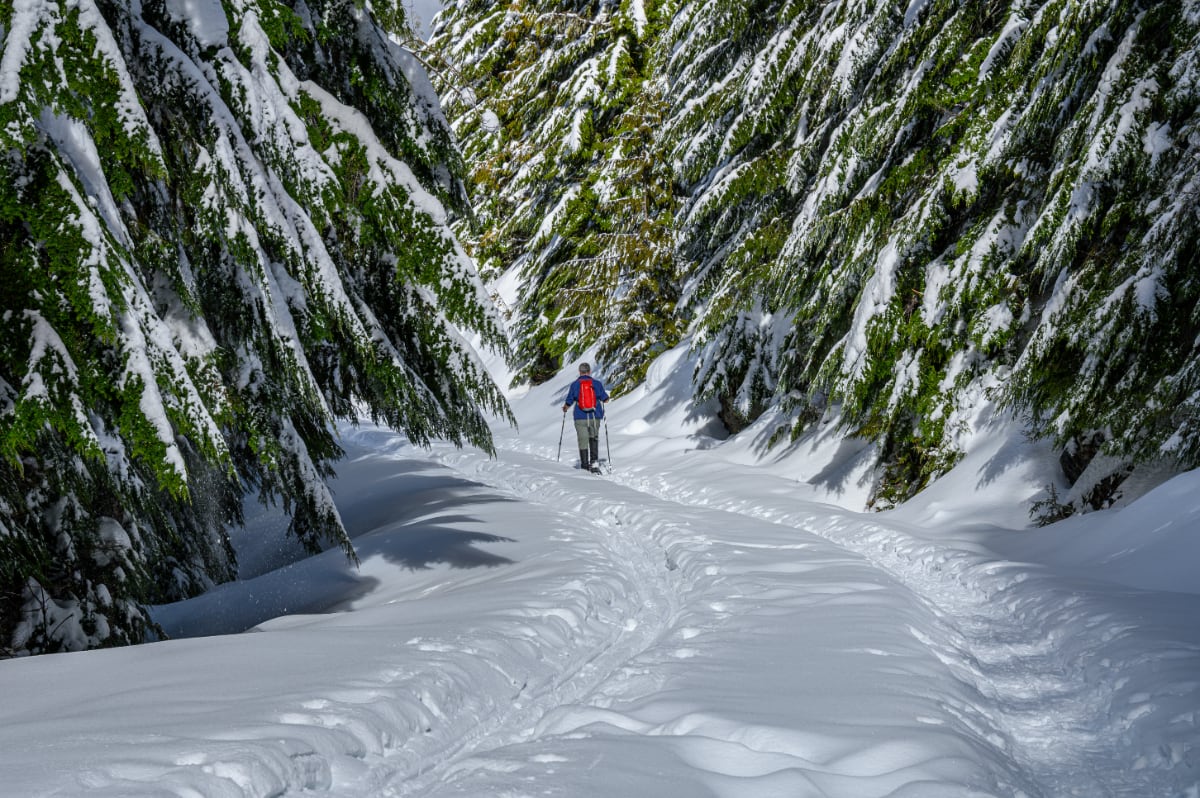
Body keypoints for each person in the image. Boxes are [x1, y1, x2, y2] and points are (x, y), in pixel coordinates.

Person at [562, 362, 609, 473]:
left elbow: (569, 400)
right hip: (594, 416)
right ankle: (594, 465)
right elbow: (605, 399)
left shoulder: (574, 385)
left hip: (580, 416)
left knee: (583, 440)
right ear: (589, 371)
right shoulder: (596, 383)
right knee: (594, 438)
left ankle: (584, 466)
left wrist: (565, 407)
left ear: (580, 372)